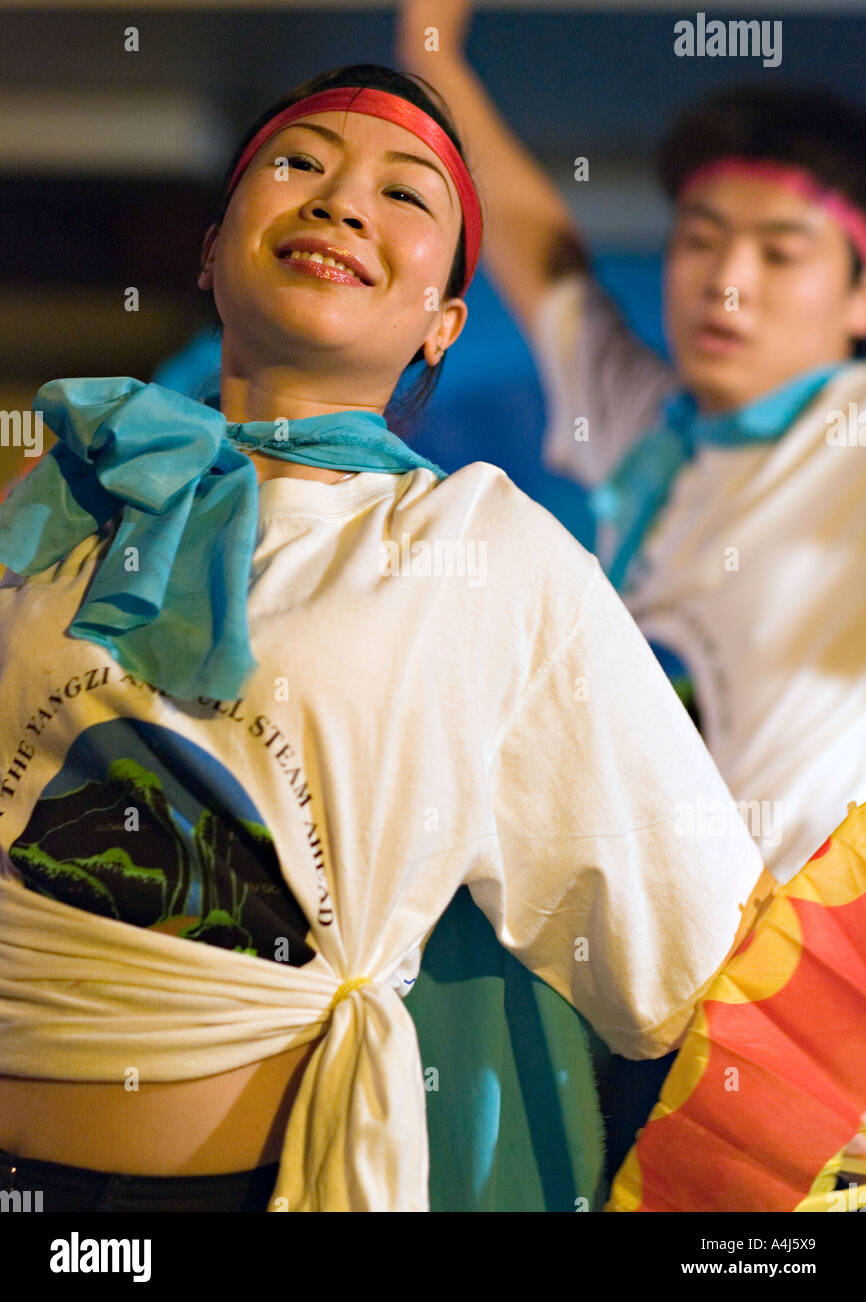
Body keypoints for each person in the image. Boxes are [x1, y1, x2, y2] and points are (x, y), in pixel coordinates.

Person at [0, 62, 773, 1213]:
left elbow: (695, 942)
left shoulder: (484, 551)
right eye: (298, 165)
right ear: (211, 253)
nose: (341, 202)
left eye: (404, 195)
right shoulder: (58, 490)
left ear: (440, 323)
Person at [397, 0, 866, 891]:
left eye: (779, 253)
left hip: (789, 989)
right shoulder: (647, 428)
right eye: (699, 241)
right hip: (638, 959)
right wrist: (431, 63)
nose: (725, 281)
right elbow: (545, 259)